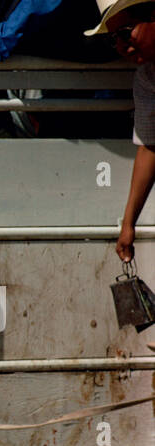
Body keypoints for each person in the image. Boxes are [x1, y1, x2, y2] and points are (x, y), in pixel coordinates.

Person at [100, 0, 155, 262]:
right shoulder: (147, 78)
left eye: (125, 33)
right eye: (114, 39)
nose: (121, 46)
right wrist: (128, 224)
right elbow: (150, 145)